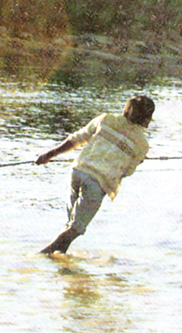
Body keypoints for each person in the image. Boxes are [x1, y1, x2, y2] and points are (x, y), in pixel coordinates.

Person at [35, 95, 154, 255]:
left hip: (77, 173)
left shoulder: (105, 119)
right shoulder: (142, 144)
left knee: (71, 225)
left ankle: (59, 261)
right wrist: (138, 161)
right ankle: (42, 255)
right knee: (75, 229)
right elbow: (127, 172)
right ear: (147, 117)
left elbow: (77, 138)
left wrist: (51, 154)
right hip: (97, 184)